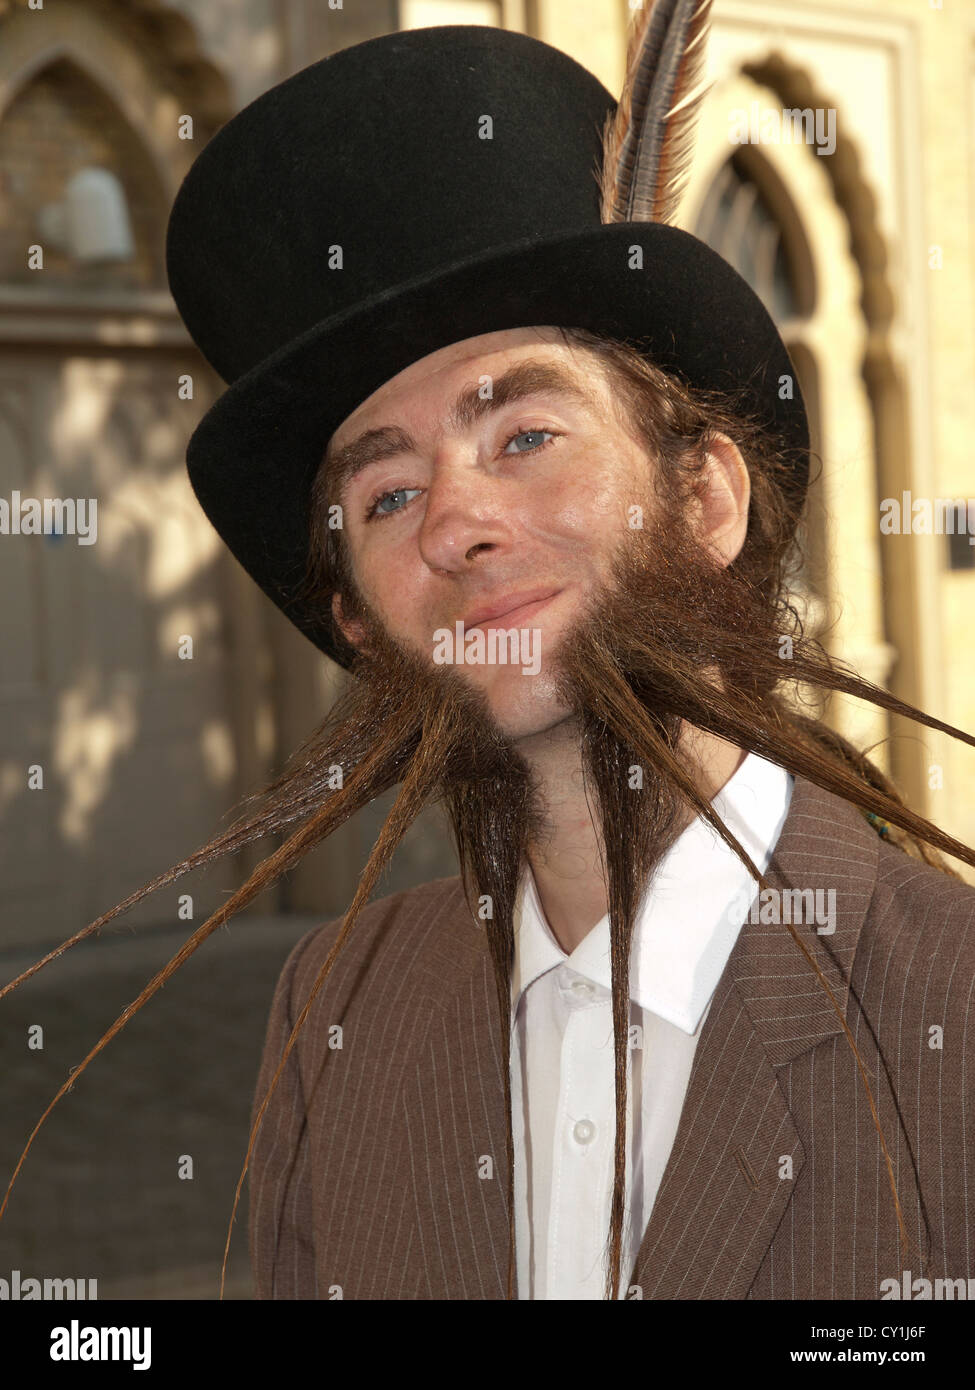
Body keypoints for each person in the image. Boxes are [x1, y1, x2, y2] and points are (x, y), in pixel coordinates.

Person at [6, 20, 974, 1303]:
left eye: (523, 434)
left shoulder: (950, 1000)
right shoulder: (332, 1008)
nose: (458, 519)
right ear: (358, 619)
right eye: (388, 495)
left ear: (703, 500)